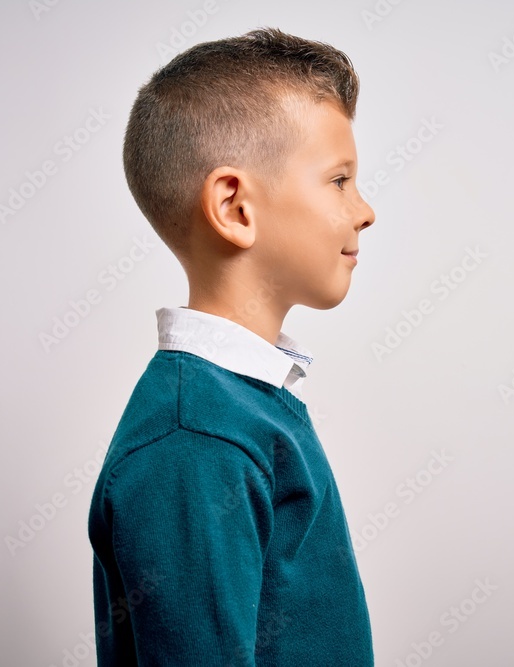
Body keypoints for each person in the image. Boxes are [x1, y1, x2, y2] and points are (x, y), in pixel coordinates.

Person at [87, 26, 377, 665]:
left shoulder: (244, 407)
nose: (365, 211)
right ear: (236, 208)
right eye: (339, 180)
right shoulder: (195, 440)